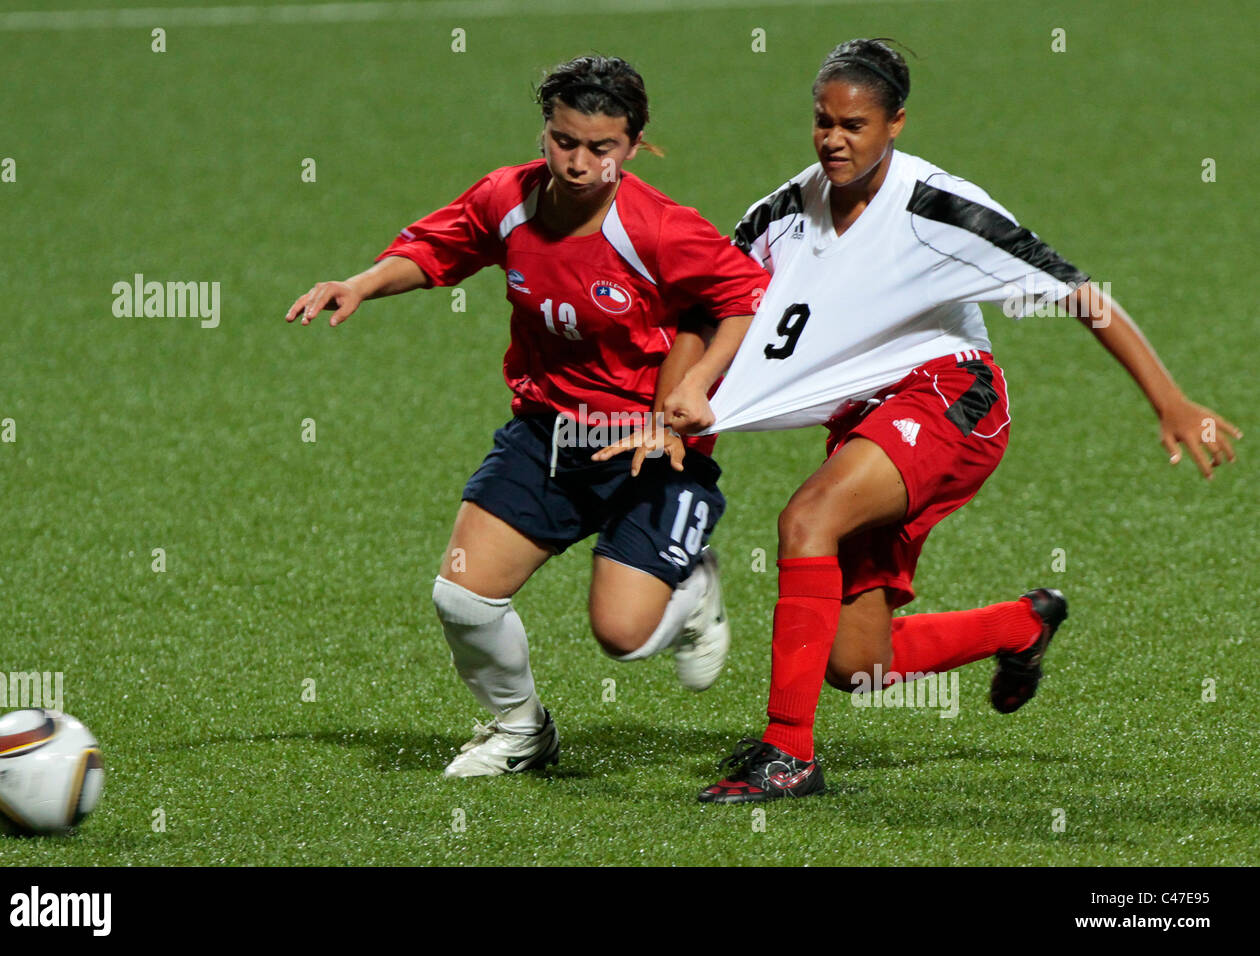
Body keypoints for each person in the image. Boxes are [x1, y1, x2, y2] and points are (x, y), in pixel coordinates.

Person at [601, 38, 1240, 803]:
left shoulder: (941, 208)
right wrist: (673, 407)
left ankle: (787, 755)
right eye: (822, 121)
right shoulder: (779, 212)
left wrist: (1169, 400)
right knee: (855, 665)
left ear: (896, 123)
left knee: (807, 519)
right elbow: (708, 311)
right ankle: (1022, 625)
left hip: (953, 402)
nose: (834, 139)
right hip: (866, 424)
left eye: (855, 124)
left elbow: (1078, 291)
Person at [285, 55, 769, 778]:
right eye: (562, 140)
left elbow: (747, 295)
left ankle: (692, 583)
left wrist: (696, 387)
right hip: (548, 433)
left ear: (632, 146)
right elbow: (438, 249)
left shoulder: (660, 229)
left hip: (650, 449)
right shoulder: (507, 199)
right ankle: (520, 731)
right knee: (464, 599)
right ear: (545, 131)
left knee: (623, 638)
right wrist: (360, 283)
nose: (578, 163)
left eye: (600, 149)